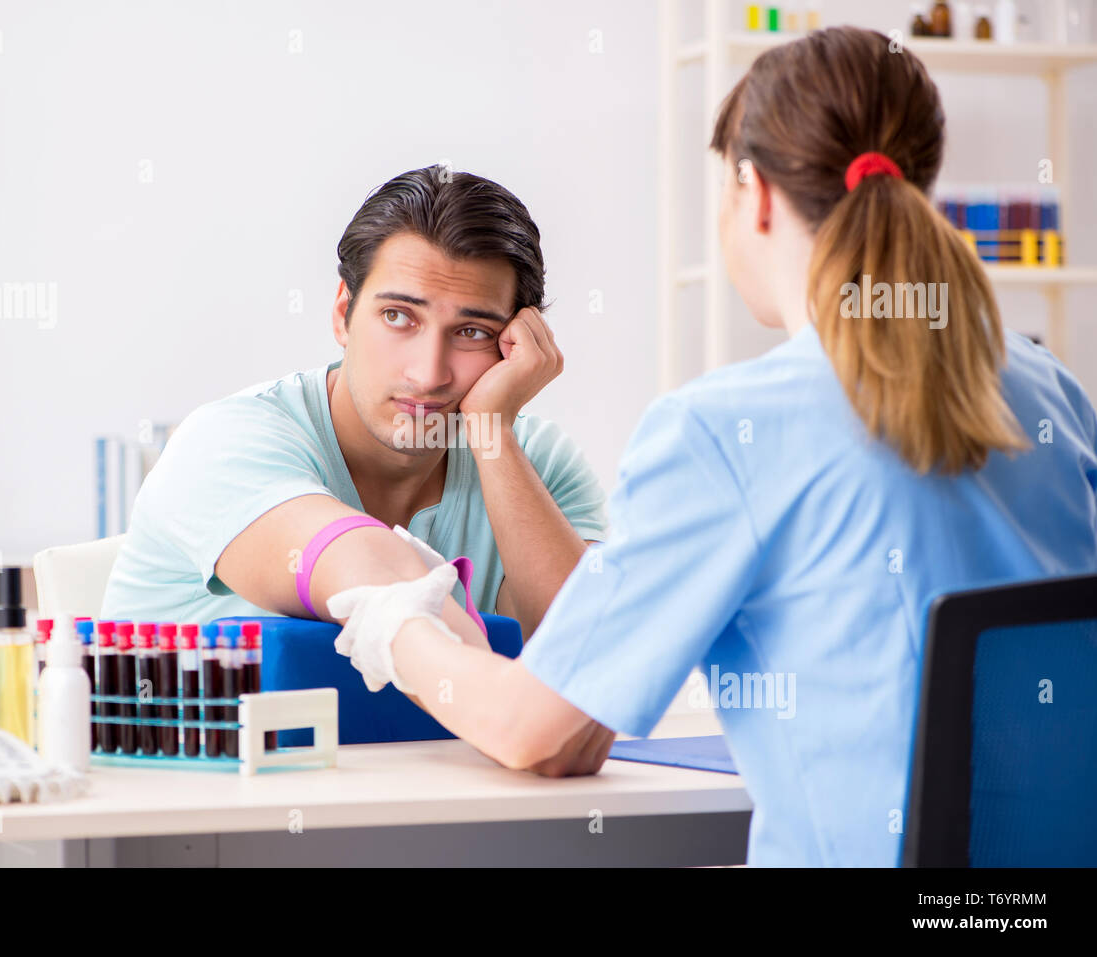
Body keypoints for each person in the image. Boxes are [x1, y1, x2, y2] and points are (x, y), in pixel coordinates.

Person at [327, 27, 1097, 866]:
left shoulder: (728, 430)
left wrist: (399, 625)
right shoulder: (1050, 388)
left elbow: (538, 735)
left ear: (754, 194)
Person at [101, 167, 609, 648]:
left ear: (518, 344)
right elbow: (368, 573)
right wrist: (498, 694)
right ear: (344, 314)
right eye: (397, 316)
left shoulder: (535, 465)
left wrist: (492, 435)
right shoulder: (227, 442)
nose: (428, 373)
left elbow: (586, 652)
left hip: (426, 747)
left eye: (472, 332)